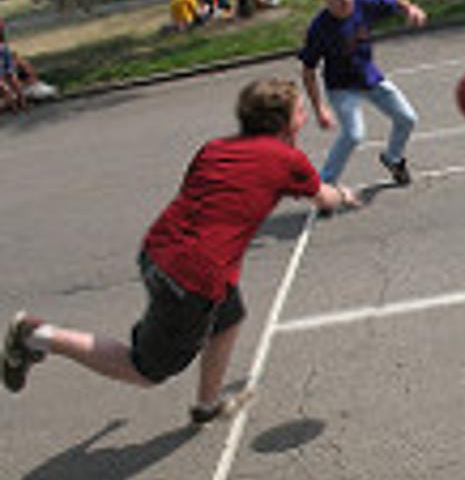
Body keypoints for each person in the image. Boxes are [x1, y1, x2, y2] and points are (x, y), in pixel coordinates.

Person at [1, 79, 348, 424]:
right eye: (300, 110)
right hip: (193, 278)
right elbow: (325, 197)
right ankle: (35, 336)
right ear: (284, 121)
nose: (305, 114)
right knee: (144, 370)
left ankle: (206, 405)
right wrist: (343, 195)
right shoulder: (288, 160)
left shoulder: (215, 147)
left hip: (159, 250)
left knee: (228, 320)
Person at [299, 0, 427, 194]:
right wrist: (319, 108)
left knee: (407, 118)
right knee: (354, 134)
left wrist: (411, 9)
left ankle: (393, 158)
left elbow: (396, 2)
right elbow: (308, 71)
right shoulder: (319, 28)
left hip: (369, 77)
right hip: (341, 87)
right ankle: (325, 184)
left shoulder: (365, 3)